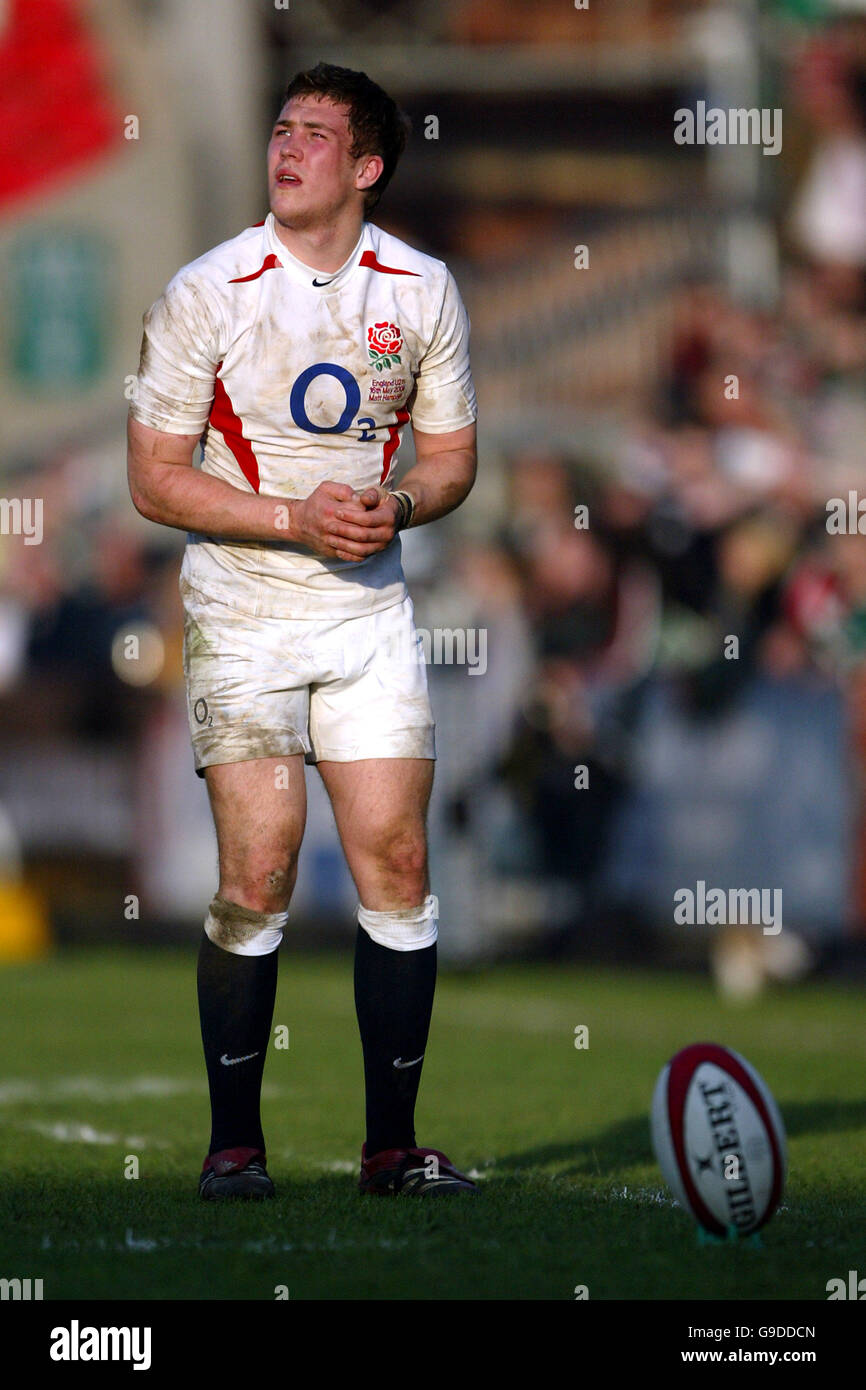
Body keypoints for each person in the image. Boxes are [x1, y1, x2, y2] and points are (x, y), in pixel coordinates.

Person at [127, 62, 478, 1198]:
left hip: (368, 606)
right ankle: (235, 1146)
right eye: (281, 129)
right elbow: (153, 478)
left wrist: (406, 502)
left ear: (366, 167)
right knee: (259, 870)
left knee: (398, 860)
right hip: (242, 608)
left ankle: (391, 1148)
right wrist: (292, 516)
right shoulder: (209, 288)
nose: (285, 149)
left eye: (315, 135)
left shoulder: (420, 288)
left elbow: (451, 455)